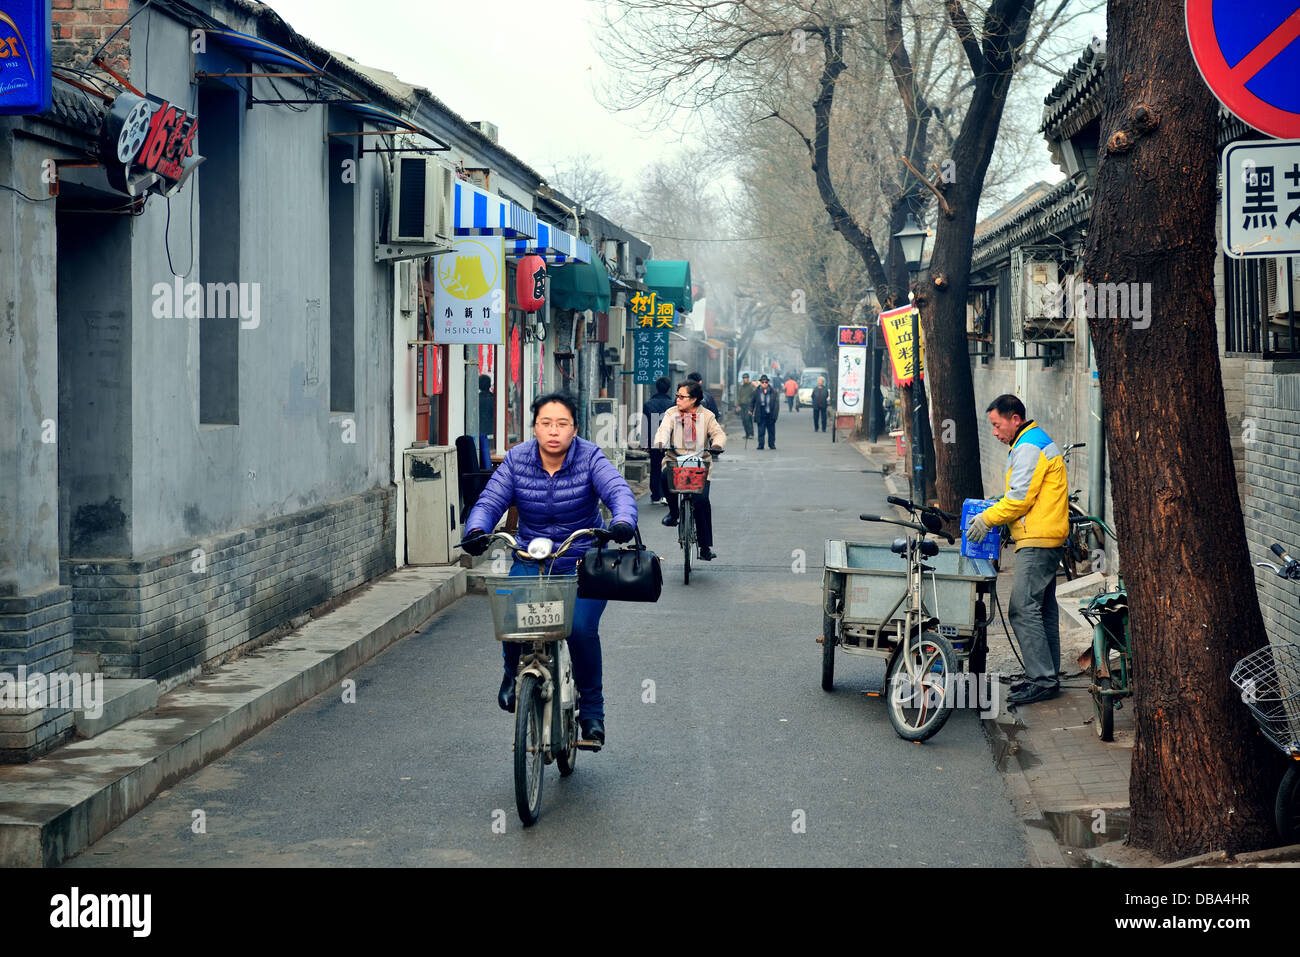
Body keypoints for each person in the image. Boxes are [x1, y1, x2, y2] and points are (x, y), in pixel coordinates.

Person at [460, 392, 638, 747]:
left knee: (580, 628)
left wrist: (622, 520)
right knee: (512, 618)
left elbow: (618, 491)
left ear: (575, 429)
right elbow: (491, 499)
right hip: (531, 557)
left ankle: (592, 710)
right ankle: (512, 675)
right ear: (534, 427)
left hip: (583, 560)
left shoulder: (590, 457)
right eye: (546, 423)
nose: (553, 431)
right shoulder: (517, 459)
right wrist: (476, 530)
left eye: (562, 424)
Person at [966, 395, 1069, 705]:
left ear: (1015, 418)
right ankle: (1047, 676)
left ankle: (1042, 679)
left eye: (998, 425)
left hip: (1038, 541)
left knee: (1022, 609)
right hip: (1045, 537)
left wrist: (986, 519)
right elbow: (1022, 496)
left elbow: (1020, 500)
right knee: (1043, 611)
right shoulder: (1031, 441)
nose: (995, 432)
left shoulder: (1027, 447)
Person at [655, 380, 726, 561]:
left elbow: (718, 433)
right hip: (674, 461)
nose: (677, 399)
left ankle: (704, 547)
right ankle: (673, 513)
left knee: (702, 502)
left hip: (699, 465)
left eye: (682, 396)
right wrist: (661, 443)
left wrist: (717, 444)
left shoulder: (707, 415)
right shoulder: (671, 413)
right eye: (677, 396)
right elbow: (663, 430)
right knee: (664, 477)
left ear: (694, 399)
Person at [641, 376, 674, 504]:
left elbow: (645, 425)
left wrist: (644, 443)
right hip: (668, 442)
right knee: (667, 467)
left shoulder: (648, 404)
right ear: (668, 389)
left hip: (654, 441)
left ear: (657, 388)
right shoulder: (672, 405)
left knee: (655, 468)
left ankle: (655, 495)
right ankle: (666, 495)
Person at [750, 374, 780, 450]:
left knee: (771, 432)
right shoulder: (756, 391)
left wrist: (775, 415)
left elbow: (776, 405)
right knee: (761, 431)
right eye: (763, 382)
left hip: (770, 414)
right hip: (760, 414)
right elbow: (752, 402)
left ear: (768, 383)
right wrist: (750, 410)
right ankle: (761, 445)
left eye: (766, 382)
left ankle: (771, 444)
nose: (764, 383)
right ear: (760, 383)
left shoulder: (773, 391)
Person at [735, 372, 756, 440]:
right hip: (742, 405)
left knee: (748, 419)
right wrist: (737, 405)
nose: (745, 380)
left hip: (749, 405)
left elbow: (755, 393)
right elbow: (739, 396)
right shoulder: (741, 387)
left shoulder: (751, 386)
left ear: (748, 379)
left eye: (746, 378)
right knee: (743, 420)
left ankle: (751, 434)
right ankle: (747, 434)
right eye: (744, 378)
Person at [477, 374, 495, 444]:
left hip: (480, 430)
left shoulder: (476, 399)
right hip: (492, 431)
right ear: (490, 385)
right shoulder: (494, 399)